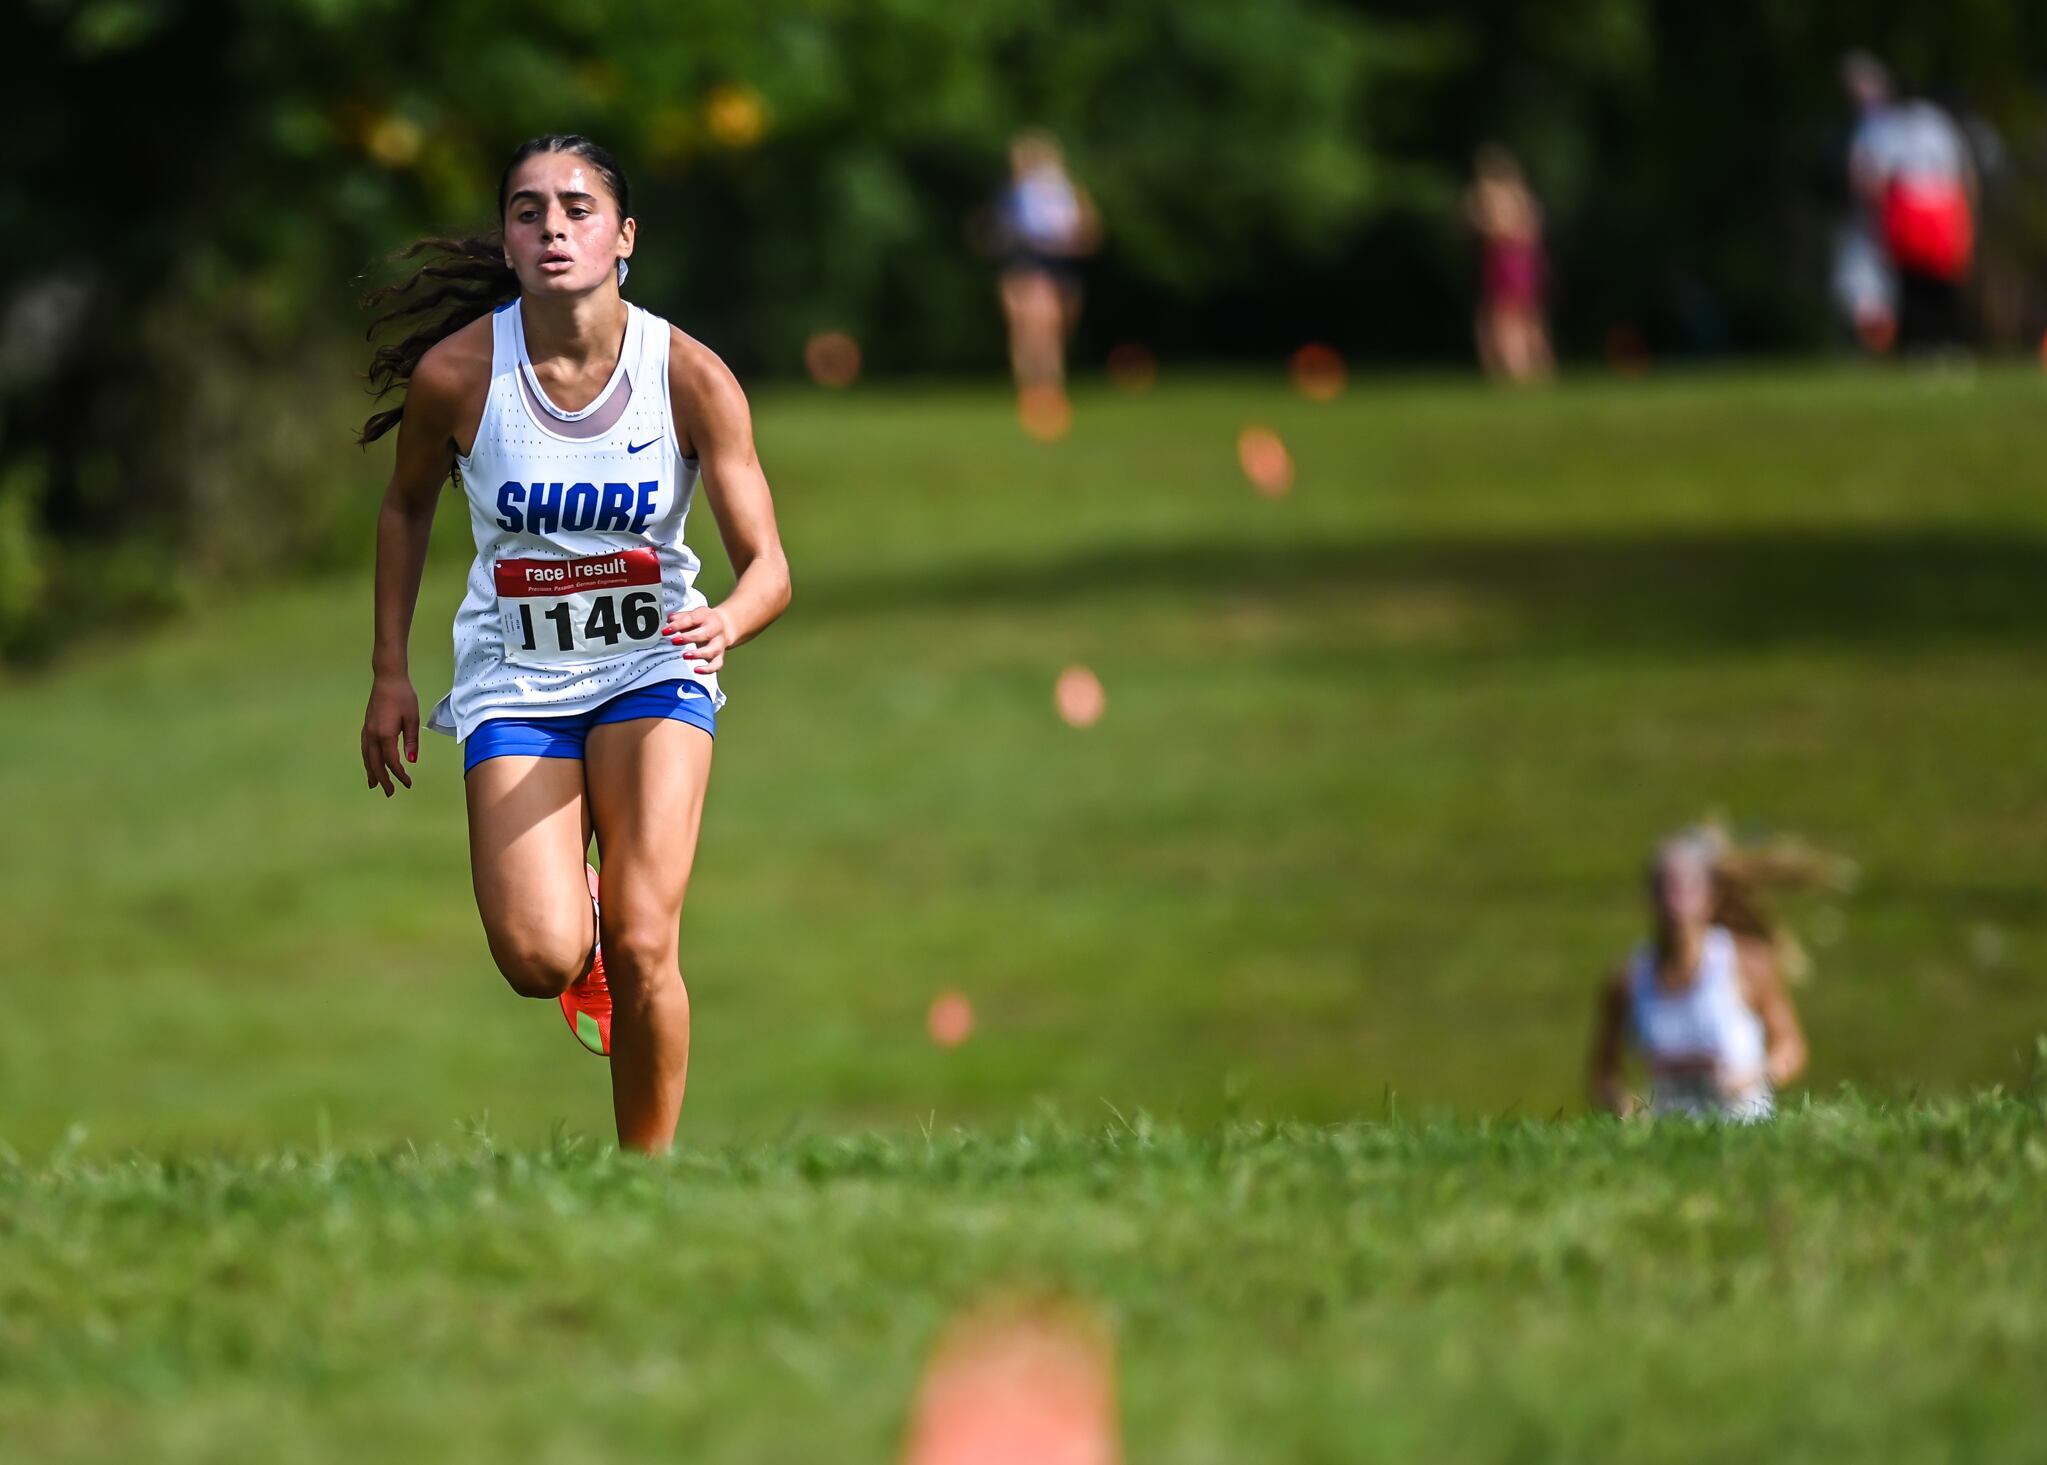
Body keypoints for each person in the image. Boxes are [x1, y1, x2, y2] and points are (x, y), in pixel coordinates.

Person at [357, 135, 792, 1155]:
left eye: (577, 207)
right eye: (526, 210)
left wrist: (725, 620)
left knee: (645, 940)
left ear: (623, 237)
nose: (552, 225)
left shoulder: (689, 375)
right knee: (539, 954)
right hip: (517, 681)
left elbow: (769, 563)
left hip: (652, 670)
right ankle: (581, 903)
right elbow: (406, 507)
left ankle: (646, 1180)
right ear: (506, 243)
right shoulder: (459, 376)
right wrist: (389, 672)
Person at [1589, 830, 1811, 1121]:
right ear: (1649, 897)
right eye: (1666, 888)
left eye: (1687, 888)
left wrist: (1754, 1079)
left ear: (1711, 896)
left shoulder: (1745, 963)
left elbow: (1791, 1047)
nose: (1675, 901)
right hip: (1667, 1141)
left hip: (1744, 1130)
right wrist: (1626, 1108)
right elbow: (1604, 1076)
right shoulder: (1628, 979)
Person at [1844, 53, 1977, 352]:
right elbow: (1961, 174)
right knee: (1925, 282)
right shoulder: (1935, 124)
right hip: (1931, 208)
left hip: (1921, 210)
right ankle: (1933, 343)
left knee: (1920, 283)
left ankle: (1930, 343)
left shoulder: (1901, 126)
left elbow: (1874, 177)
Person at [989, 131, 1100, 431]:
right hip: (1028, 268)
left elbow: (1090, 233)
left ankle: (1046, 390)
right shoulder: (1014, 197)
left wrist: (1067, 240)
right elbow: (1005, 235)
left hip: (1060, 269)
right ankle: (1037, 392)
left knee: (1054, 330)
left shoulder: (1067, 193)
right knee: (1033, 330)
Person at [1465, 145, 1553, 383]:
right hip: (1526, 261)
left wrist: (1480, 221)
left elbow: (1497, 229)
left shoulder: (1494, 195)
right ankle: (1539, 369)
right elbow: (1534, 227)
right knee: (1527, 318)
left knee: (1503, 319)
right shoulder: (1522, 195)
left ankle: (1516, 373)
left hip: (1505, 260)